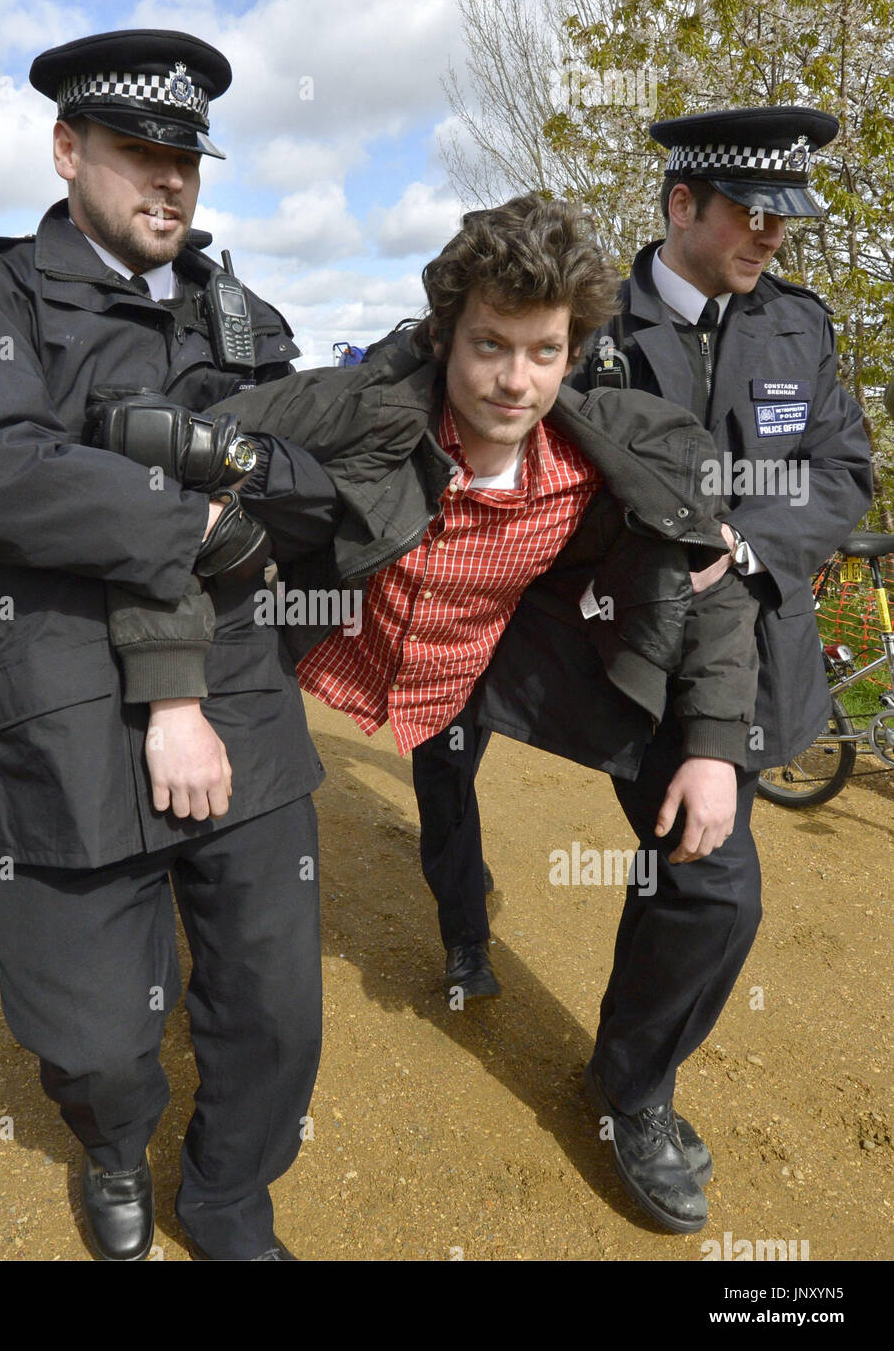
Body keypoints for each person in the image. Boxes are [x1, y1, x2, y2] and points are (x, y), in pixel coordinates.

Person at [96, 194, 761, 1237]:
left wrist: (714, 748)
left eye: (543, 351)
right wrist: (164, 674)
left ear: (574, 349)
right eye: (489, 343)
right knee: (189, 836)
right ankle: (118, 1111)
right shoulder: (355, 408)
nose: (512, 379)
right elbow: (172, 472)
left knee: (695, 868)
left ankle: (612, 1070)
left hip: (486, 669)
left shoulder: (621, 446)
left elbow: (707, 578)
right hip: (310, 641)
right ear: (447, 331)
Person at [0, 28, 340, 1262]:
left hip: (237, 687)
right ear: (66, 149)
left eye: (186, 158)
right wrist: (201, 515)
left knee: (272, 996)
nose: (168, 181)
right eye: (138, 152)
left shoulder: (243, 314)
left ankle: (226, 1193)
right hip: (57, 700)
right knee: (92, 1033)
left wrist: (219, 470)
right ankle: (111, 1144)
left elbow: (312, 476)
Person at [557, 106, 873, 1233]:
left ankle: (618, 1055)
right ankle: (631, 1093)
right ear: (678, 203)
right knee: (716, 888)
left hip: (755, 649)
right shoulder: (590, 327)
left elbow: (840, 469)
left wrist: (744, 541)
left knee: (678, 873)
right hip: (635, 657)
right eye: (747, 210)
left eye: (784, 216)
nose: (769, 235)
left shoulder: (796, 325)